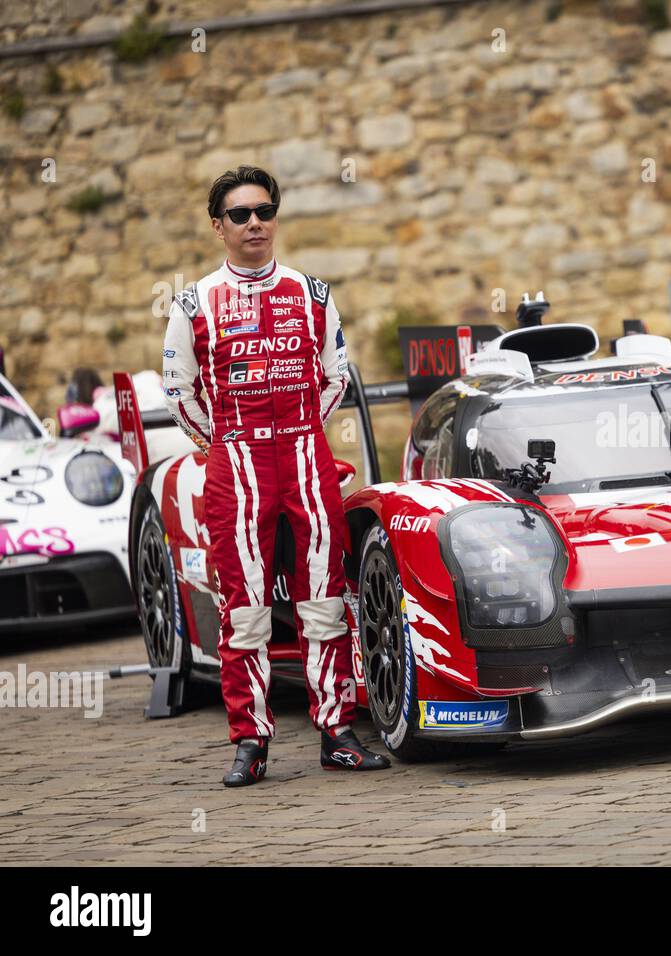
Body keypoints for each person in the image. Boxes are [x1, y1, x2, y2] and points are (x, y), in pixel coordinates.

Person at [162, 165, 390, 785]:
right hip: (234, 465)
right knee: (244, 609)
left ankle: (337, 733)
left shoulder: (313, 293)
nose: (254, 223)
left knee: (324, 599)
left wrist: (297, 429)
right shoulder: (193, 301)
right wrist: (221, 442)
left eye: (264, 211)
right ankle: (250, 741)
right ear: (219, 227)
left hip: (305, 457)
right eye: (240, 214)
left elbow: (336, 374)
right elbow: (178, 389)